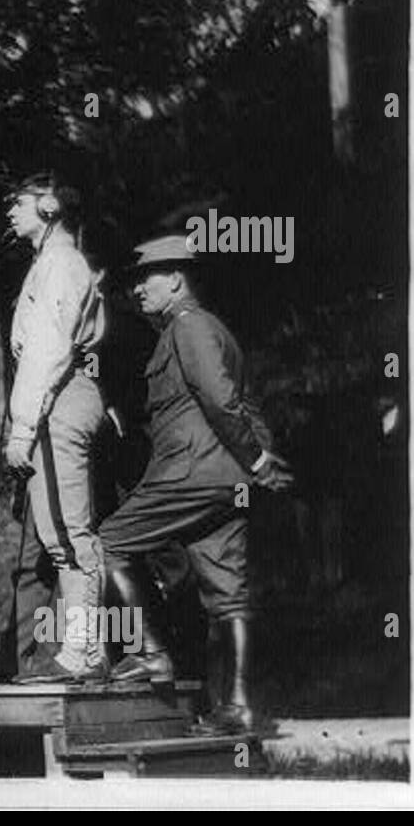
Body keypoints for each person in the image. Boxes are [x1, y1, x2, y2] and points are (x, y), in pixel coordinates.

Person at [97, 234, 291, 733]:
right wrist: (258, 462)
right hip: (225, 480)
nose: (138, 289)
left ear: (176, 280)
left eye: (147, 279)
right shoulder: (212, 329)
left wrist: (257, 458)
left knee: (112, 541)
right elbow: (245, 404)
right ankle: (239, 707)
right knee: (229, 592)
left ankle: (152, 654)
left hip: (191, 471)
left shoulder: (188, 327)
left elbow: (220, 398)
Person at [0, 171, 109, 684]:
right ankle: (79, 650)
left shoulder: (62, 264)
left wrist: (23, 427)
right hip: (55, 399)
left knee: (69, 533)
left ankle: (85, 652)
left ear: (48, 206)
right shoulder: (50, 264)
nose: (9, 212)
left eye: (18, 202)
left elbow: (47, 350)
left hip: (58, 399)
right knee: (60, 533)